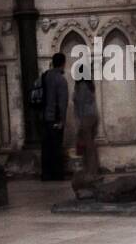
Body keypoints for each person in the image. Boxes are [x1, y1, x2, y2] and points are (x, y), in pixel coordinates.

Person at [39, 53, 70, 181]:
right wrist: (62, 120)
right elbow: (63, 103)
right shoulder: (61, 80)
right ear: (63, 63)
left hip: (44, 117)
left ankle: (46, 174)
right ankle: (57, 175)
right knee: (57, 147)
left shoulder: (44, 76)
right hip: (55, 118)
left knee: (46, 148)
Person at [72, 76, 100, 183]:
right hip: (92, 117)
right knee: (90, 145)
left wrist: (80, 123)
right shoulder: (88, 85)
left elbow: (81, 104)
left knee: (87, 147)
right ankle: (91, 171)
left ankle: (91, 172)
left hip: (86, 118)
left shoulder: (82, 86)